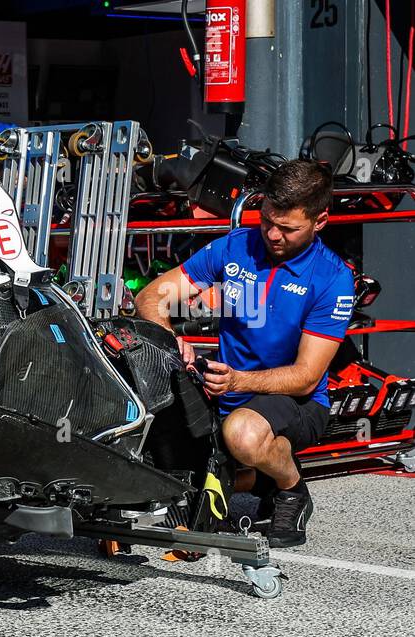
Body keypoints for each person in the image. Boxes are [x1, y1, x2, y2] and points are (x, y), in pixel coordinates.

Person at [134, 160, 353, 548]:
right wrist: (171, 339)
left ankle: (292, 488)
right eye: (267, 219)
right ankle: (256, 474)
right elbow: (151, 296)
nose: (272, 234)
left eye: (287, 228)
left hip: (295, 401)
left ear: (319, 221)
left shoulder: (332, 278)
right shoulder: (236, 247)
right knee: (164, 458)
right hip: (223, 391)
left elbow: (305, 376)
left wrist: (238, 380)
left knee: (243, 433)